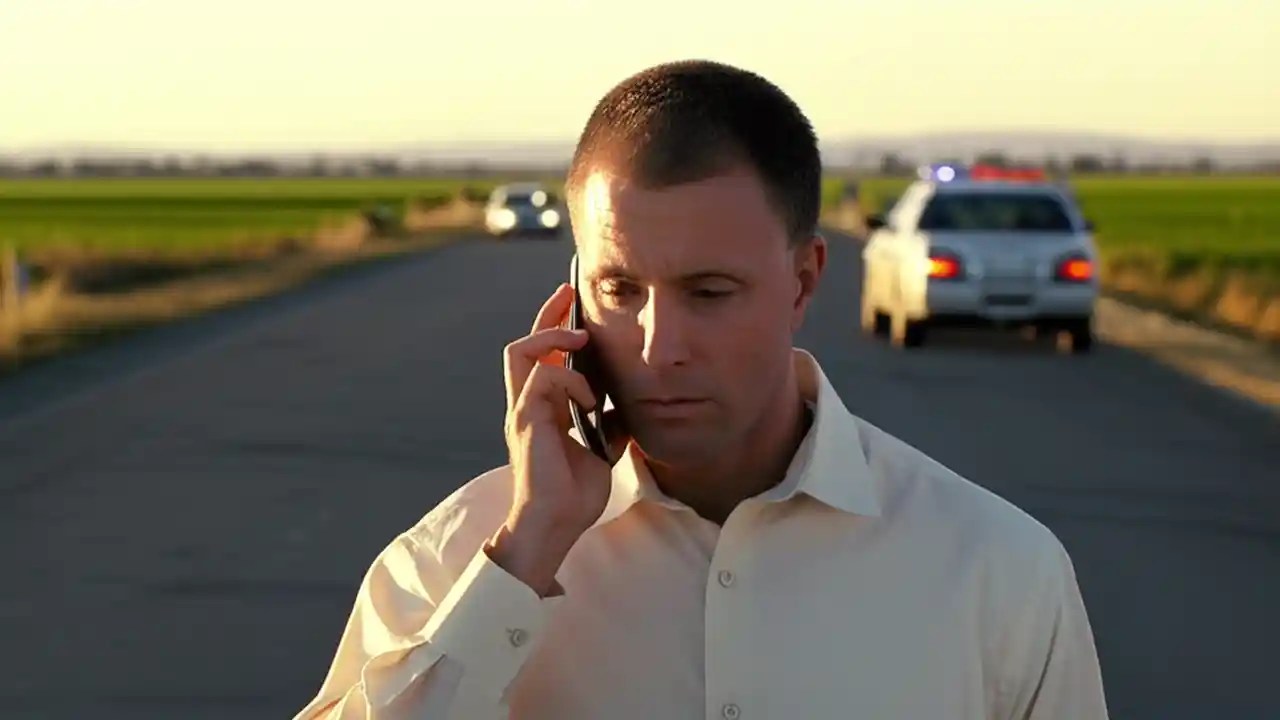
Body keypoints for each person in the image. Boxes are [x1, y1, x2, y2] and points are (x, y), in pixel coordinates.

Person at [293, 59, 1109, 720]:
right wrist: (523, 556)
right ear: (572, 294)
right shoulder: (454, 556)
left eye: (709, 293)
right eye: (620, 290)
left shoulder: (998, 573)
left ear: (802, 282)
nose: (660, 346)